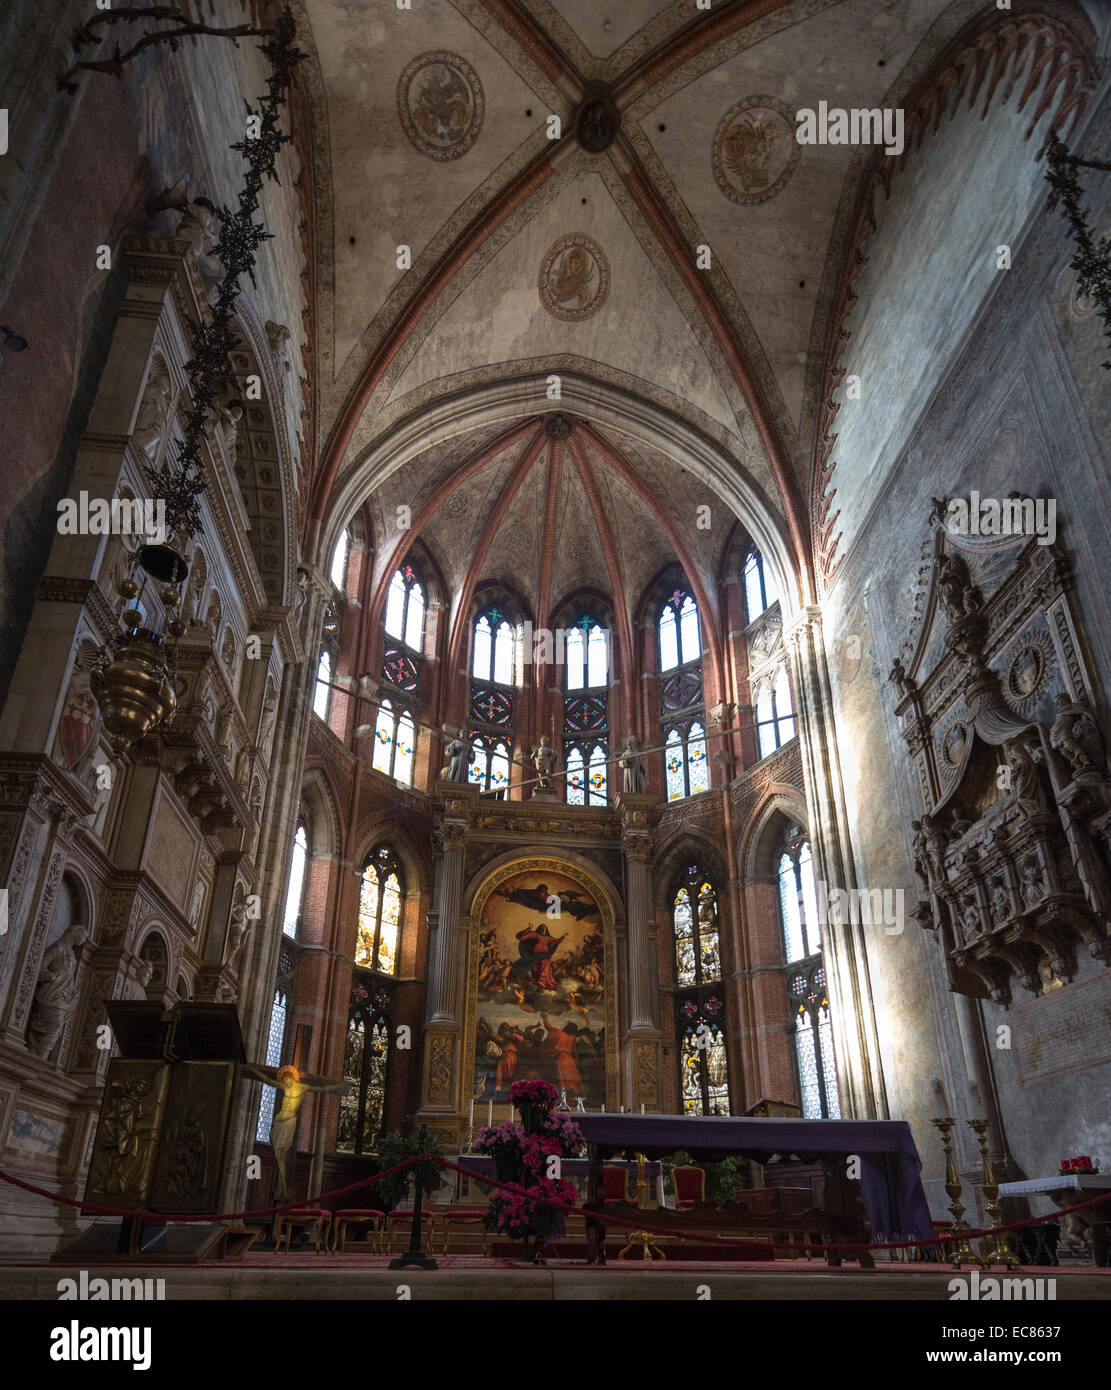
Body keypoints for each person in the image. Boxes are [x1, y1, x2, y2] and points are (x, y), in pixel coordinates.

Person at [541, 1012, 583, 1099]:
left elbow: (549, 1028)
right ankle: (574, 1095)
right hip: (570, 1060)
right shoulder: (572, 1038)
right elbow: (575, 1053)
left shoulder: (560, 1033)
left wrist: (545, 1018)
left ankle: (565, 1096)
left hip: (562, 1059)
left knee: (564, 1079)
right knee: (572, 1079)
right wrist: (576, 1062)